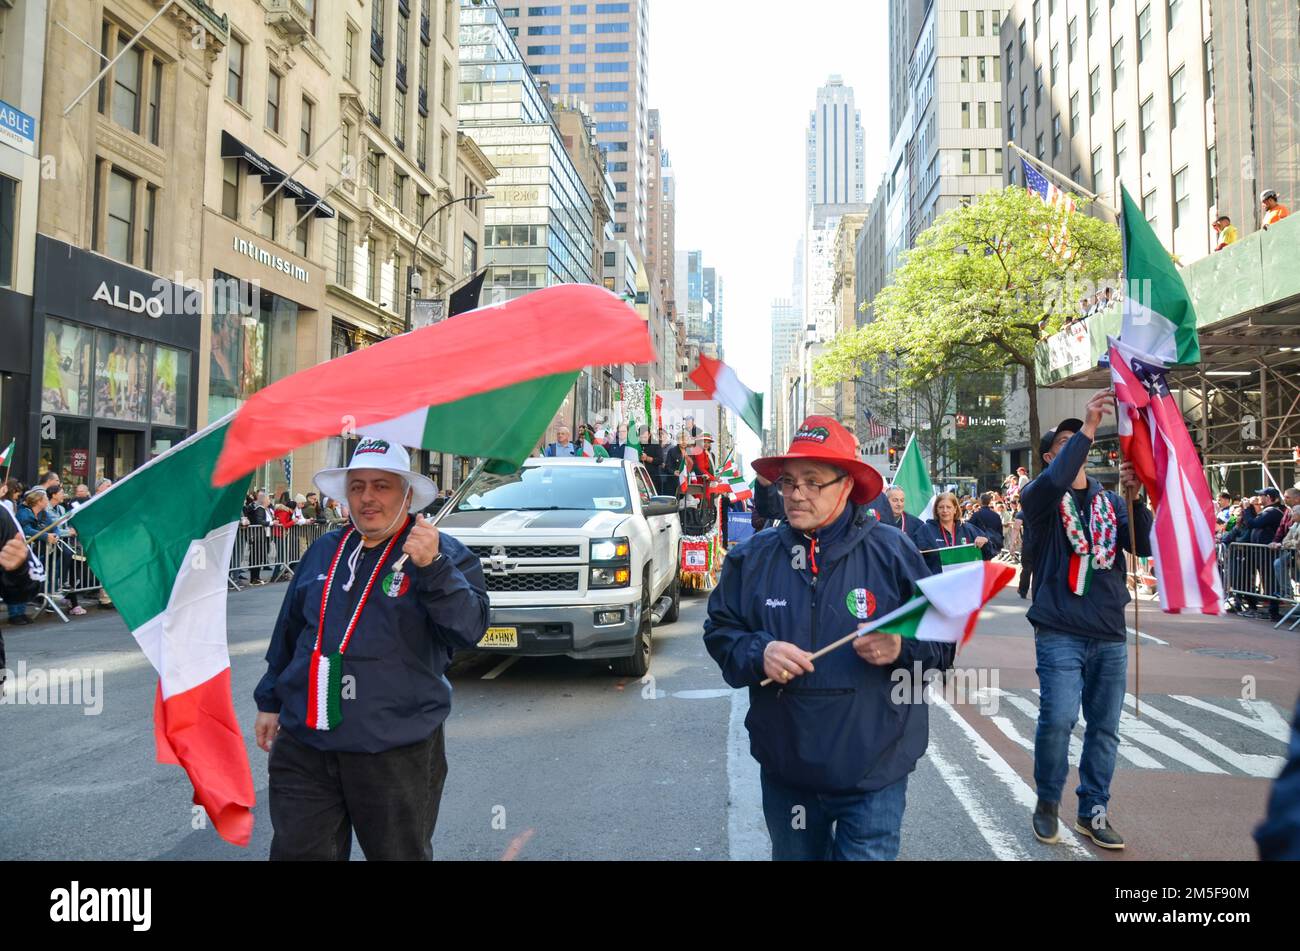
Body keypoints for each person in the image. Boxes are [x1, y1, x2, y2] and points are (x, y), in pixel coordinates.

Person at [703, 416, 950, 861]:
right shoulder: (751, 558)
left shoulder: (893, 551)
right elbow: (721, 633)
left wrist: (901, 647)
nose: (796, 494)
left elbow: (942, 638)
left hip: (876, 770)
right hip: (789, 772)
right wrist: (760, 652)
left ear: (847, 486)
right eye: (789, 482)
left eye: (812, 482)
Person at [253, 438, 489, 860]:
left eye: (381, 486)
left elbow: (469, 629)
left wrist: (433, 568)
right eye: (357, 487)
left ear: (408, 494)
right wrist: (269, 699)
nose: (367, 498)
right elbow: (289, 630)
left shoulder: (442, 554)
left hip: (394, 749)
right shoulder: (325, 549)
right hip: (306, 743)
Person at [1021, 393, 1151, 851]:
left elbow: (1145, 546)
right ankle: (1047, 801)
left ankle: (1093, 809)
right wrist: (1091, 427)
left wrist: (1134, 501)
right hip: (1059, 629)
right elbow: (1057, 478)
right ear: (1049, 457)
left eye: (1081, 438)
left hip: (1110, 633)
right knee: (1057, 718)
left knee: (1105, 728)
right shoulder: (1037, 498)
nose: (1077, 444)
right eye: (1066, 441)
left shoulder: (1109, 502)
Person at [915, 491, 997, 574]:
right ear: (936, 510)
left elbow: (990, 555)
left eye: (949, 507)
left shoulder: (968, 529)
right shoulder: (926, 530)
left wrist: (985, 543)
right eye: (941, 507)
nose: (945, 510)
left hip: (966, 582)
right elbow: (916, 560)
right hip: (938, 583)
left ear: (955, 509)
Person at [1268, 492, 1300, 622]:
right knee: (1279, 564)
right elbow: (1284, 534)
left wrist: (1289, 543)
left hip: (1295, 554)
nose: (1292, 516)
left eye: (1288, 497)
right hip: (1293, 554)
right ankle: (1287, 592)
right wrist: (1279, 542)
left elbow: (1297, 542)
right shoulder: (1293, 522)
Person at [243, 490, 274, 585]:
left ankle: (257, 577)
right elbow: (260, 521)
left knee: (259, 557)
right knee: (256, 557)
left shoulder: (266, 509)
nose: (269, 501)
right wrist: (271, 523)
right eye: (268, 498)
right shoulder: (259, 509)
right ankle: (254, 578)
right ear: (263, 500)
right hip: (257, 536)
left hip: (263, 535)